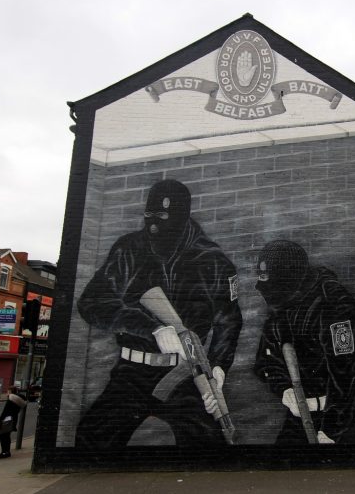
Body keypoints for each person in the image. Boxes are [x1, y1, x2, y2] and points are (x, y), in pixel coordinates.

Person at [76, 179, 242, 448]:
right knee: (90, 440)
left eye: (162, 216)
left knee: (209, 444)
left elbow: (229, 321)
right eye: (148, 216)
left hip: (187, 372)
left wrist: (219, 368)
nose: (153, 225)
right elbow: (91, 302)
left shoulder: (213, 261)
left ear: (181, 214)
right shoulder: (129, 249)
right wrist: (151, 328)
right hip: (131, 373)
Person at [253, 240, 355, 444]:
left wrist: (331, 430)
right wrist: (285, 389)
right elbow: (265, 362)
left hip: (341, 418)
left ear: (285, 276)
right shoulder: (281, 308)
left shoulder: (333, 307)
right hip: (302, 415)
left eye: (266, 276)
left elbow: (346, 374)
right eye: (261, 275)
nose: (260, 285)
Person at [0, 388, 26, 459]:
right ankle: (7, 452)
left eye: (7, 391)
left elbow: (5, 411)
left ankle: (4, 452)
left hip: (7, 420)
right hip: (13, 420)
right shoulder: (18, 401)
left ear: (10, 392)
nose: (7, 393)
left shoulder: (11, 400)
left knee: (3, 436)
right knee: (7, 436)